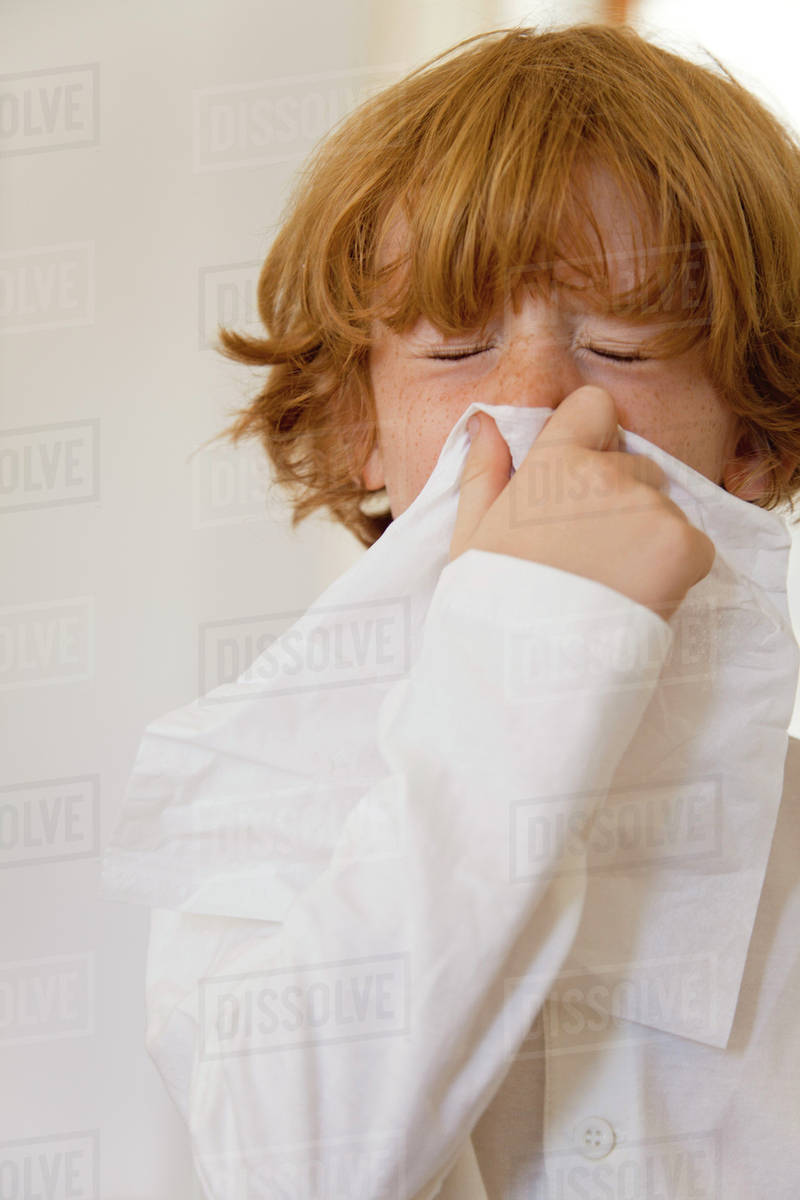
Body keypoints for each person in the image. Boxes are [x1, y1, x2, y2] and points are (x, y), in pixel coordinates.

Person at [106, 22, 800, 1198]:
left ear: (750, 437)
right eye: (458, 347)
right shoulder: (256, 814)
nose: (532, 404)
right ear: (353, 433)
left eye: (621, 345)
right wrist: (533, 640)